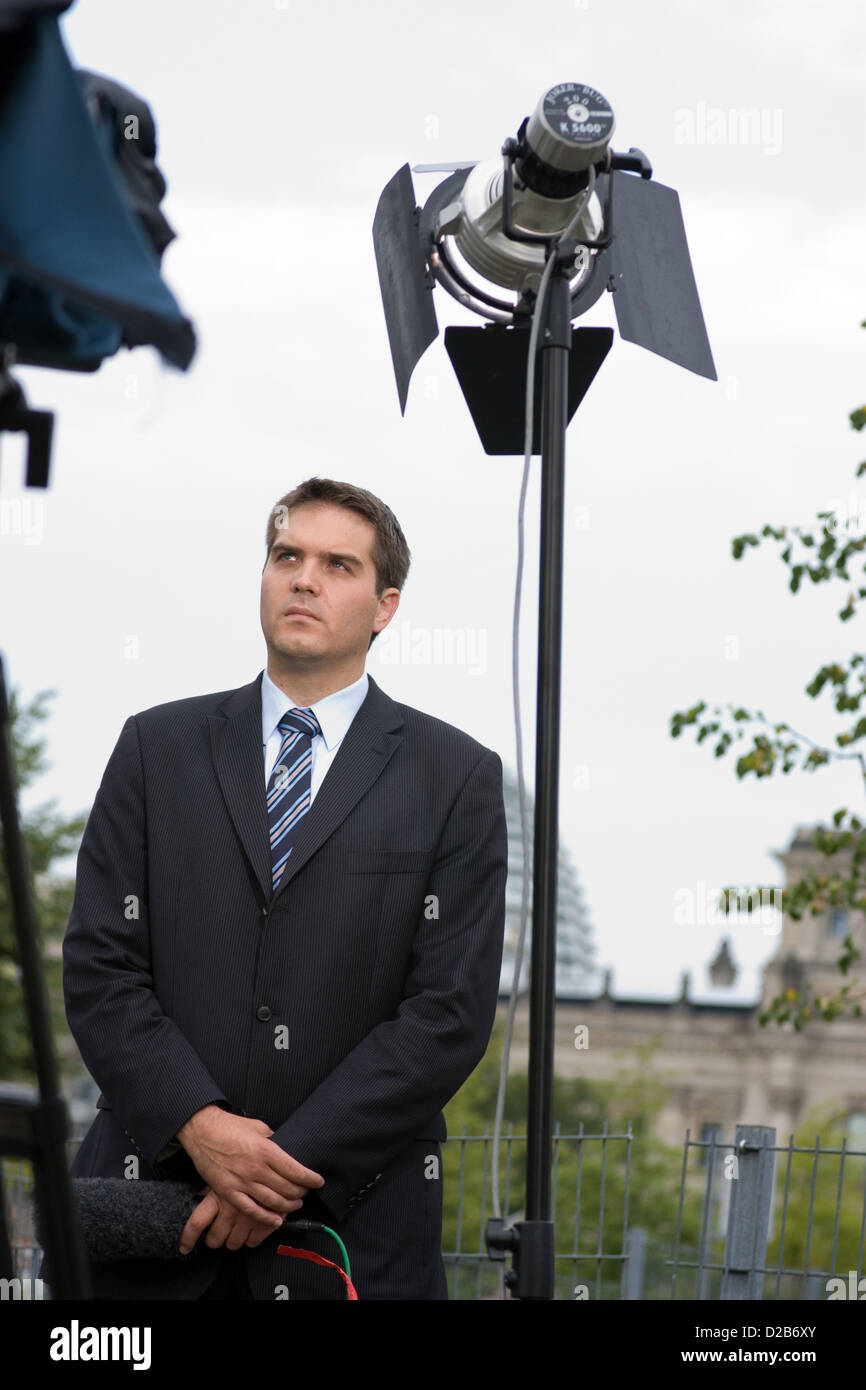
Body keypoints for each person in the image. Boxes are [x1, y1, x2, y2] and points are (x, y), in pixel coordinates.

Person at [58, 477, 508, 1300]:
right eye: (285, 556)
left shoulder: (456, 777)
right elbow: (100, 968)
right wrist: (201, 1129)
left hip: (347, 1242)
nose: (304, 578)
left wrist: (276, 1175)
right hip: (150, 1229)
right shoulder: (157, 748)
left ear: (384, 606)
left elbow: (446, 1015)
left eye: (338, 564)